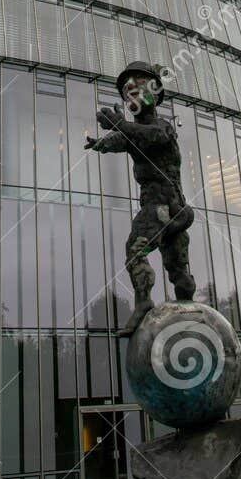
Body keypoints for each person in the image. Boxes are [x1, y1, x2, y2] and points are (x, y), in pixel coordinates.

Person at [85, 61, 196, 335]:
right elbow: (121, 140)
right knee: (178, 269)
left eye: (137, 85)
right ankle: (189, 316)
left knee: (137, 252)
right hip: (170, 209)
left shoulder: (163, 127)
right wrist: (102, 143)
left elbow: (151, 136)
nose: (130, 89)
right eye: (127, 89)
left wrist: (119, 124)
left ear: (154, 92)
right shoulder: (133, 133)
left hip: (161, 207)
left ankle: (146, 303)